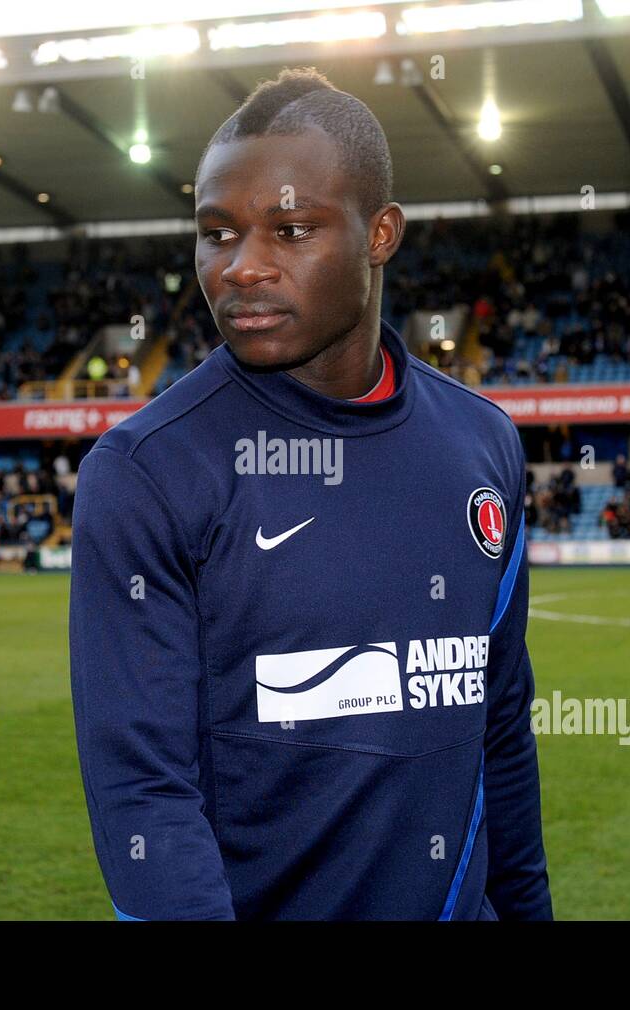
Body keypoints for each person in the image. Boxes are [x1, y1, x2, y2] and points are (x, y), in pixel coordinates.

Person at [69, 67, 550, 921]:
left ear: (381, 235)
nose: (241, 268)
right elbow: (143, 793)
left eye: (290, 229)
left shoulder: (484, 445)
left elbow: (501, 729)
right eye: (217, 234)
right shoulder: (147, 471)